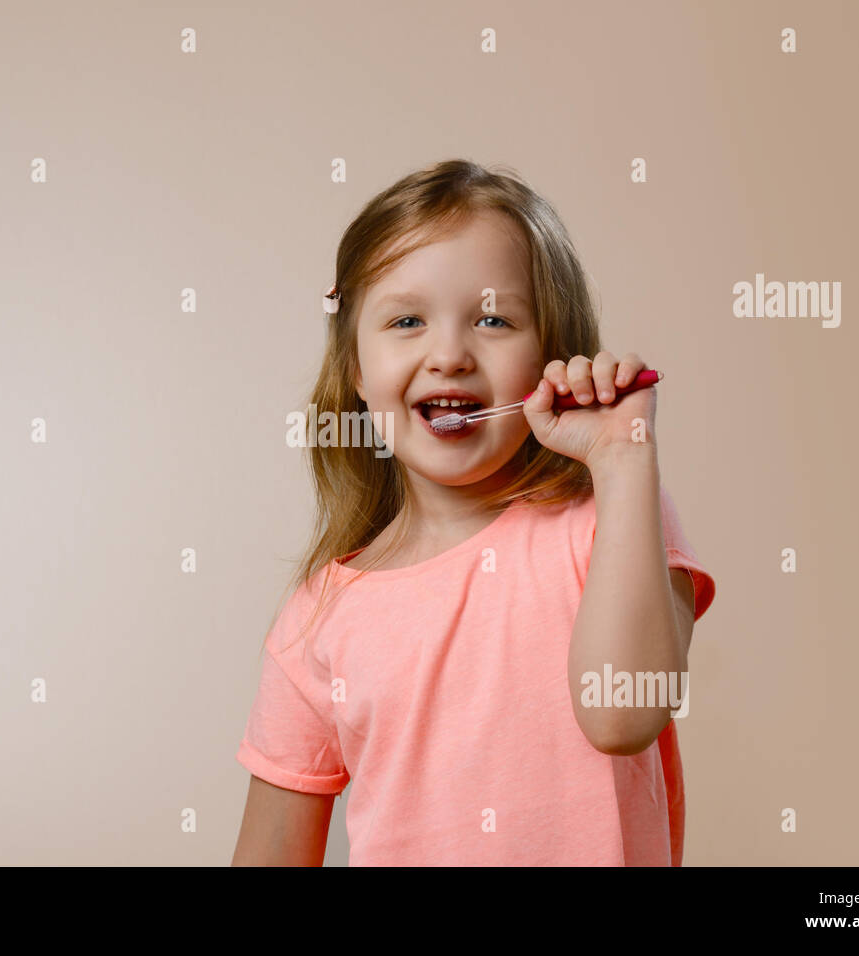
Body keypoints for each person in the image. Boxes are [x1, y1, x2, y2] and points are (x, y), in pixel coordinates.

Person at [231, 159, 716, 866]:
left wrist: (622, 460)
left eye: (493, 318)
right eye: (405, 320)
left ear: (551, 357)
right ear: (359, 371)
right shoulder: (317, 620)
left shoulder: (616, 517)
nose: (449, 355)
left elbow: (623, 716)